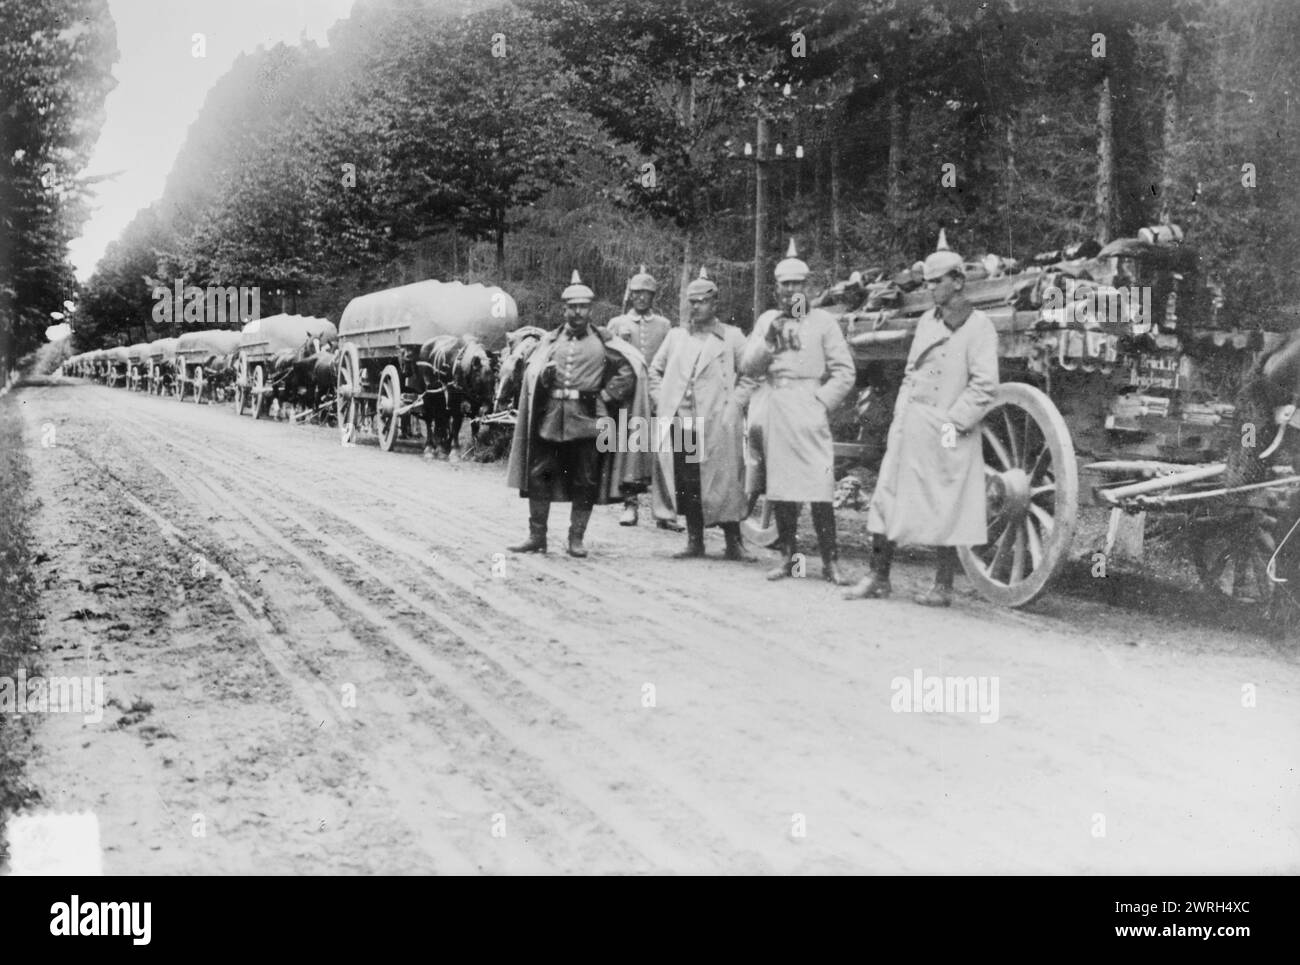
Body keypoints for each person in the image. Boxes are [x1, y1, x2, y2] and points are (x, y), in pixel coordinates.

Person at [843, 236, 999, 606]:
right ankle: (878, 576)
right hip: (912, 423)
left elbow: (985, 386)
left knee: (947, 500)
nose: (931, 288)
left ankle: (943, 586)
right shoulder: (927, 322)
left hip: (948, 427)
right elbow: (912, 373)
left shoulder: (979, 328)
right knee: (887, 495)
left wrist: (953, 423)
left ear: (958, 281)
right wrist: (902, 416)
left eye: (938, 281)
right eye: (927, 281)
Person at [506, 272, 653, 557]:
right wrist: (544, 379)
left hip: (589, 421)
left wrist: (607, 396)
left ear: (590, 310)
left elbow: (629, 369)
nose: (577, 312)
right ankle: (537, 536)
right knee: (539, 476)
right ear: (564, 309)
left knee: (585, 479)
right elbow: (532, 374)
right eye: (572, 307)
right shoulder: (550, 341)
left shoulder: (603, 341)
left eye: (583, 306)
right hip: (551, 420)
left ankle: (576, 539)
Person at [740, 240, 856, 584]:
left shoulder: (823, 322)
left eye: (798, 284)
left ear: (808, 287)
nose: (792, 290)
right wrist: (770, 340)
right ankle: (790, 557)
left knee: (820, 488)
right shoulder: (767, 321)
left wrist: (821, 402)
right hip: (777, 408)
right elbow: (747, 365)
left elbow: (845, 371)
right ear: (776, 288)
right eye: (785, 284)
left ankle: (831, 562)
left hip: (810, 408)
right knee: (782, 489)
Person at [648, 268, 756, 561]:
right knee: (688, 481)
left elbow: (751, 374)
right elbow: (654, 372)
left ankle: (734, 543)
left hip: (717, 423)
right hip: (682, 422)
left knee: (724, 482)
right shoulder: (675, 337)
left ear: (715, 304)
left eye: (702, 301)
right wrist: (664, 402)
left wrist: (735, 404)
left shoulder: (731, 337)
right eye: (691, 301)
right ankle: (695, 541)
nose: (695, 306)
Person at [606, 266, 680, 530]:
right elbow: (610, 361)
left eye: (646, 294)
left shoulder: (664, 326)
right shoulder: (617, 324)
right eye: (636, 293)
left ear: (653, 296)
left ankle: (665, 512)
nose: (640, 298)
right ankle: (630, 505)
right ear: (630, 295)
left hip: (657, 396)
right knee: (630, 452)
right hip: (628, 397)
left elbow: (669, 363)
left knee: (661, 452)